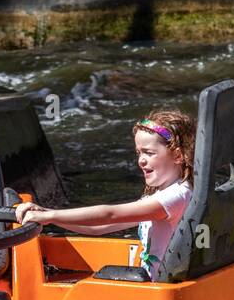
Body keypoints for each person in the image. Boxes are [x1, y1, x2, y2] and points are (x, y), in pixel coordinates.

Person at [14, 110, 195, 279]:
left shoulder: (176, 196)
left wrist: (50, 215)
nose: (141, 160)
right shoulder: (161, 194)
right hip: (152, 287)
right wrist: (47, 215)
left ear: (178, 155)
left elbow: (110, 214)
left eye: (149, 153)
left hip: (160, 293)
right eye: (139, 153)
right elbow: (99, 227)